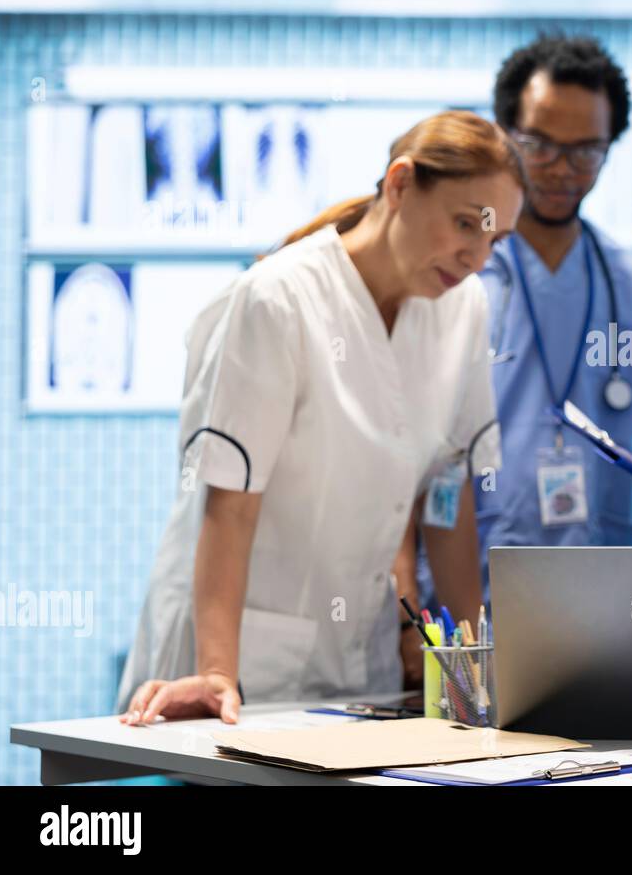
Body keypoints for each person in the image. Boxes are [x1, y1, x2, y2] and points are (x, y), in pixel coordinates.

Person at [116, 111, 525, 724]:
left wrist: (471, 665)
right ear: (399, 184)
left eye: (494, 241)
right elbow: (232, 502)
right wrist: (217, 671)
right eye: (466, 224)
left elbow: (448, 491)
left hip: (361, 654)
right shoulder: (279, 297)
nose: (476, 257)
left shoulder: (462, 308)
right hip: (244, 651)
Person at [419, 35, 632, 606]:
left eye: (586, 151)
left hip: (613, 597)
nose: (561, 170)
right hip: (467, 588)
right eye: (538, 145)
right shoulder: (453, 279)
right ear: (504, 133)